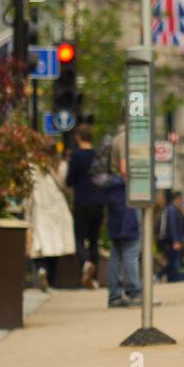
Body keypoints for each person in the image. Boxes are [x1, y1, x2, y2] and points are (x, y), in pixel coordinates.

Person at [25, 142, 75, 292]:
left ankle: (41, 269)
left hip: (39, 206)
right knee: (56, 244)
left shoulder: (32, 165)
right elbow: (67, 186)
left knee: (39, 242)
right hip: (57, 207)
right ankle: (51, 281)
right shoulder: (60, 165)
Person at [105, 126, 142, 308]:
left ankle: (114, 295)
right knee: (131, 246)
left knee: (117, 249)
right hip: (126, 195)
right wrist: (139, 190)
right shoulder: (127, 137)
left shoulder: (116, 138)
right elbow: (125, 167)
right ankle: (134, 292)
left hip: (115, 194)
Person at [65, 123, 102, 288]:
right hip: (98, 202)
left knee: (79, 238)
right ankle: (94, 278)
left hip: (81, 202)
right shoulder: (98, 155)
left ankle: (85, 264)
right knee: (94, 240)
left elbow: (69, 181)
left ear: (78, 137)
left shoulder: (76, 155)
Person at [159, 191, 184, 282]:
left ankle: (168, 278)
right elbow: (172, 226)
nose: (183, 202)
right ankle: (162, 276)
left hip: (173, 241)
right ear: (178, 199)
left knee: (173, 262)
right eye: (182, 200)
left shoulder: (174, 210)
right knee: (174, 263)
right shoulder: (172, 210)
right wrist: (176, 241)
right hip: (172, 242)